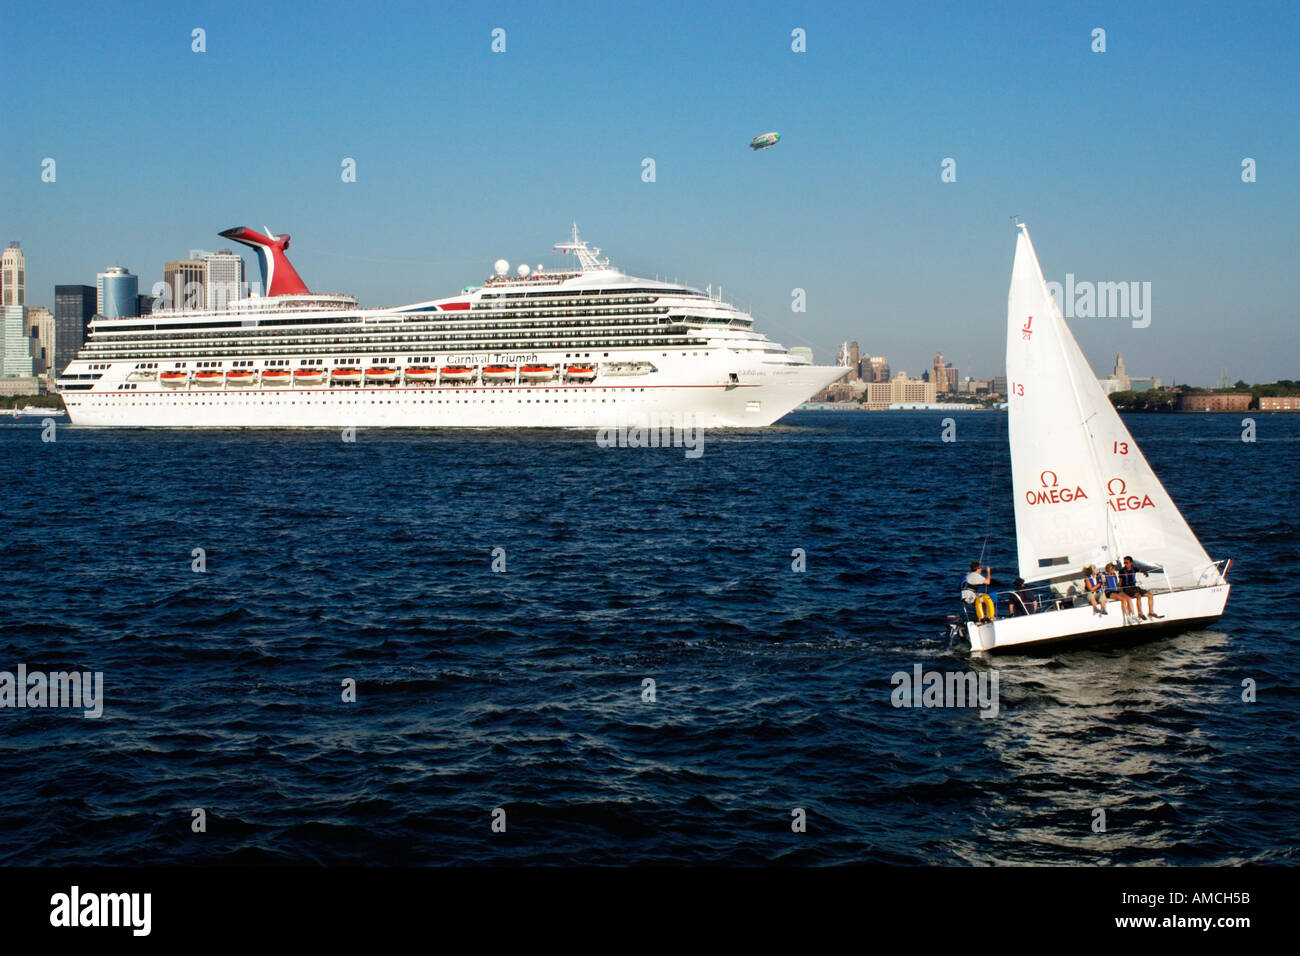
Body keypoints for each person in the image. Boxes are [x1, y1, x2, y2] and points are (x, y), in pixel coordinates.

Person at [1120, 555, 1164, 621]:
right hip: (1127, 588)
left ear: (1131, 563)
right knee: (1138, 595)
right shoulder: (1122, 571)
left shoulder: (1133, 568)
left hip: (1134, 587)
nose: (1125, 564)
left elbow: (1140, 570)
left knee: (1150, 595)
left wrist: (1145, 572)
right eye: (1124, 563)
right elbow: (1120, 581)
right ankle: (1140, 613)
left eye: (1127, 563)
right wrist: (1120, 590)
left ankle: (1151, 612)